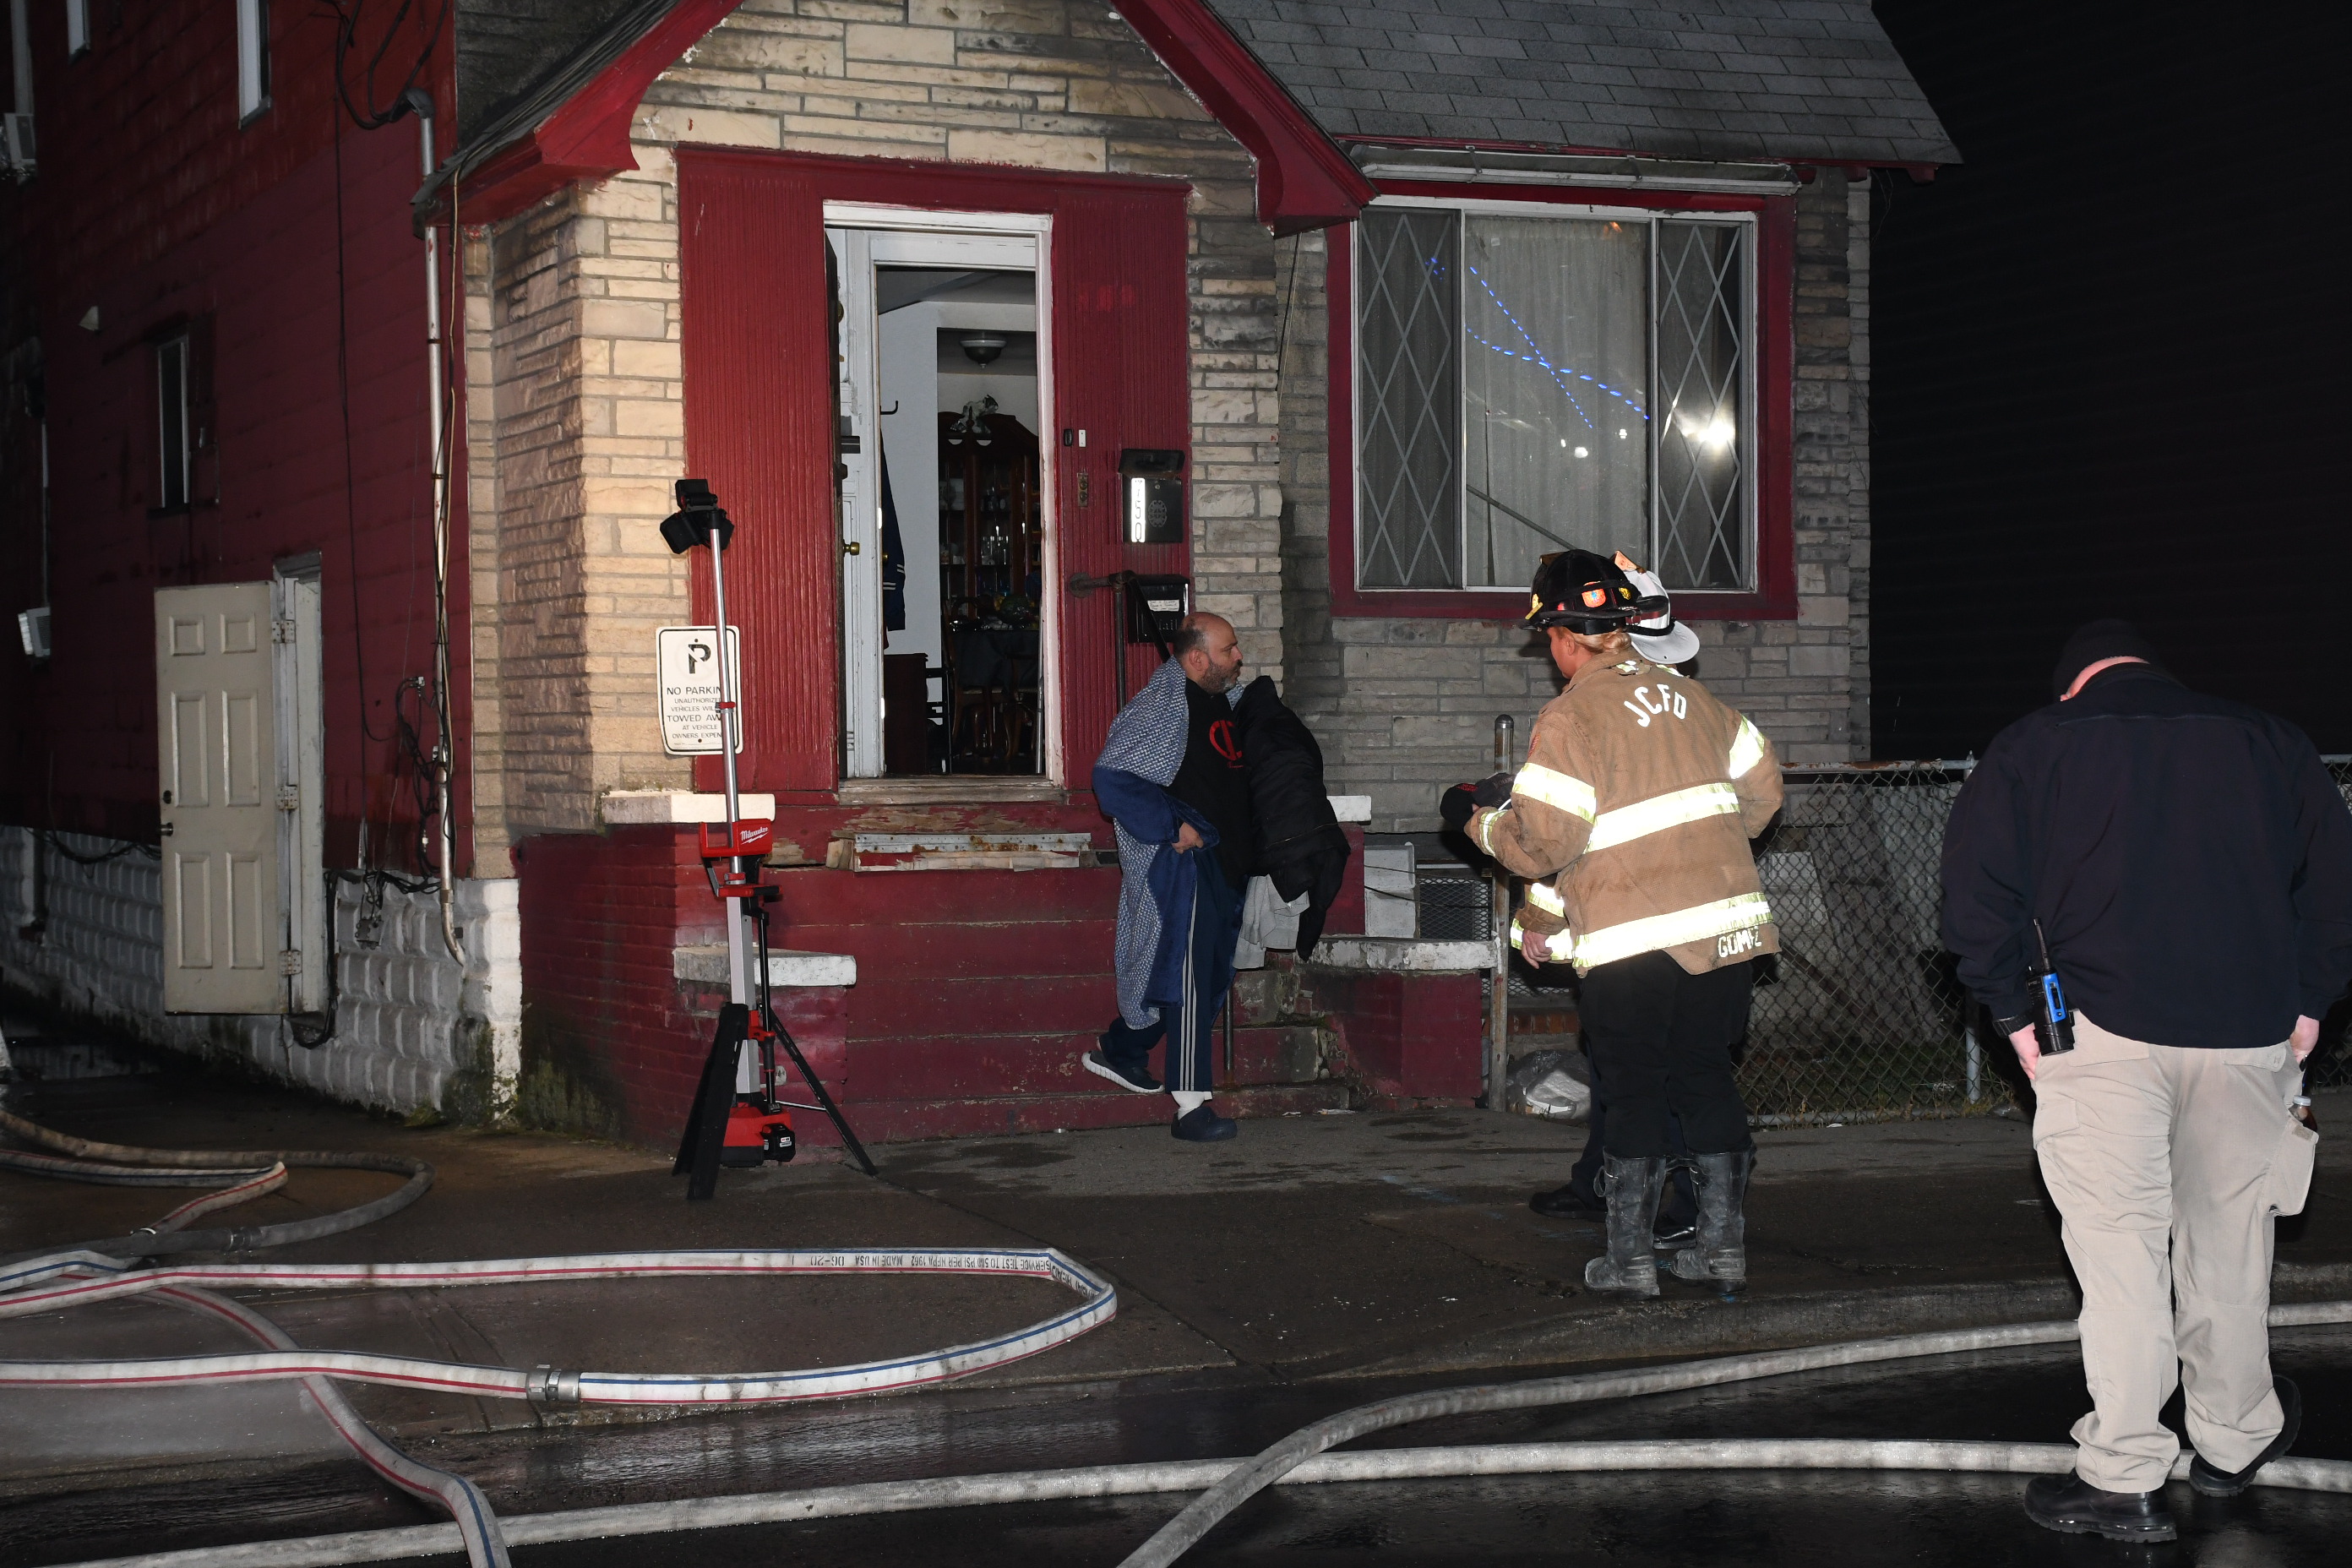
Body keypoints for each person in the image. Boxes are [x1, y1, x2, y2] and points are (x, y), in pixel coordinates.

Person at [1941, 618, 2351, 1543]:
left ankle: (2123, 1470)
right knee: (2231, 1247)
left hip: (2099, 1031)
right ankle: (2234, 1441)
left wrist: (2014, 1014)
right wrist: (2312, 999)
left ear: (2070, 685)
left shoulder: (2035, 745)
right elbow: (2335, 885)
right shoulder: (2268, 740)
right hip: (2249, 1036)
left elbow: (1974, 899)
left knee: (2123, 1253)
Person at [1442, 550, 1783, 1298]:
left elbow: (1546, 843)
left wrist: (1476, 822)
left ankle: (1629, 1262)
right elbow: (1762, 795)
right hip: (1723, 941)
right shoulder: (1699, 702)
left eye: (1549, 642)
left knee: (1630, 1093)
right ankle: (1721, 1250)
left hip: (1634, 949)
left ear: (1564, 638)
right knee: (1704, 1081)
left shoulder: (1571, 716)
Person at [1530, 555, 1706, 1246]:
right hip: (1634, 915)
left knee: (1668, 1075)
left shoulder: (1662, 710)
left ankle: (1684, 1212)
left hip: (1663, 918)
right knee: (1625, 1066)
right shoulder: (1642, 708)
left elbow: (1559, 835)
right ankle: (1608, 1186)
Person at [1085, 613, 1255, 1141]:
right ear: (1196, 657)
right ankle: (1191, 1109)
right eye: (1229, 650)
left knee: (1199, 979)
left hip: (1224, 862)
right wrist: (1171, 827)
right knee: (1185, 980)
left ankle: (1123, 1049)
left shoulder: (1224, 703)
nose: (1238, 658)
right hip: (1181, 867)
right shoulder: (1160, 706)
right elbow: (1111, 778)